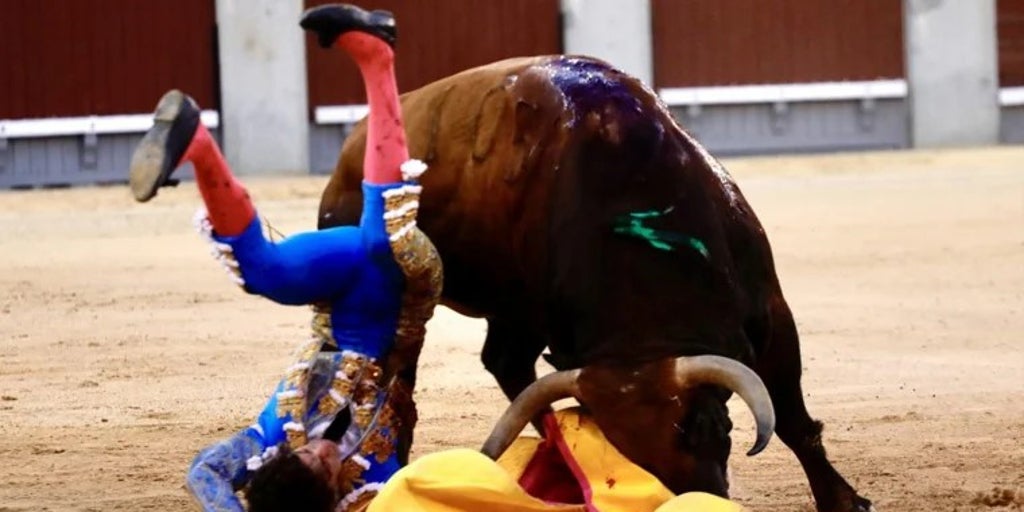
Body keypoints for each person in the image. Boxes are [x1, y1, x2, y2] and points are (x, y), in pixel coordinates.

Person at [127, 4, 442, 511]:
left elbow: (205, 471)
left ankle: (198, 143)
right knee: (386, 236)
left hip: (336, 300)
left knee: (263, 272)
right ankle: (378, 60)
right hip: (396, 295)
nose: (319, 449)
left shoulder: (271, 438)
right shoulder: (376, 485)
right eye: (323, 466)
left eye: (302, 456)